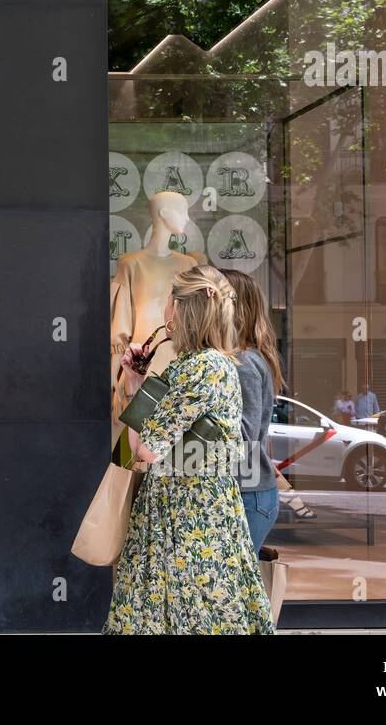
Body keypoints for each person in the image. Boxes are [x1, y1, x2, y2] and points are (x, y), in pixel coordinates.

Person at [103, 265, 274, 635]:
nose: (165, 308)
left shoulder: (198, 368)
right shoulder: (207, 364)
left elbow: (143, 450)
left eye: (169, 298)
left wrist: (139, 396)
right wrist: (137, 381)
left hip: (186, 515)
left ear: (180, 309)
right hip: (196, 510)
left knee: (183, 613)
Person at [219, 268, 282, 554]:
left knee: (230, 595)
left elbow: (243, 439)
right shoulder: (236, 359)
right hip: (246, 492)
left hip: (246, 495)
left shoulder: (242, 363)